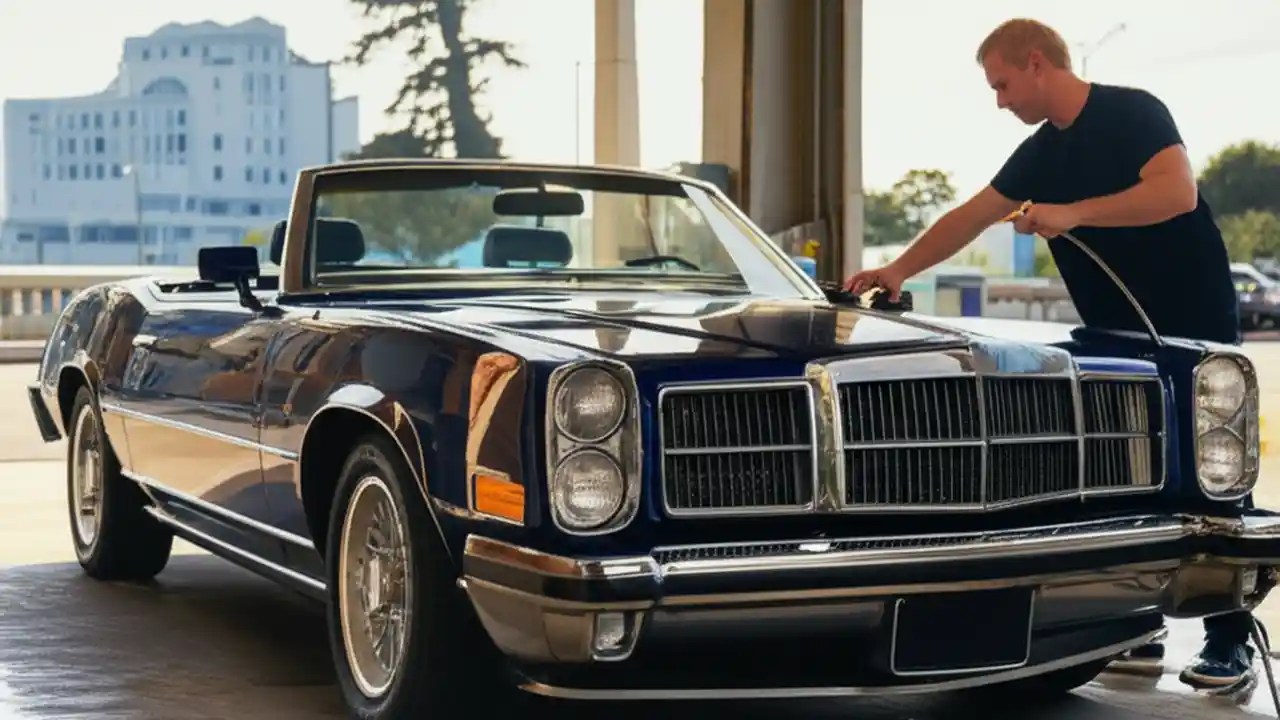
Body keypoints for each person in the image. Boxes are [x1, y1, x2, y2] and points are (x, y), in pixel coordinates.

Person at [845, 18, 1254, 690]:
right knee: (1132, 473)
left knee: (1209, 473)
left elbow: (1176, 193)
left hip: (1193, 324)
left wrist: (1073, 214)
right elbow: (971, 215)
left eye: (1003, 84)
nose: (1000, 101)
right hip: (1116, 336)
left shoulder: (1134, 111)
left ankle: (1227, 639)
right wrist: (899, 269)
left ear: (1037, 63)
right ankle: (1140, 623)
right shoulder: (1040, 154)